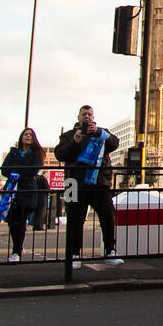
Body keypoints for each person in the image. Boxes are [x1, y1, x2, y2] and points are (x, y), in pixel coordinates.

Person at [55, 105, 122, 268]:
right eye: (84, 114)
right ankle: (75, 254)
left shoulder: (102, 132)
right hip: (74, 183)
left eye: (89, 114)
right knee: (74, 220)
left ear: (93, 117)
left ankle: (110, 251)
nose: (87, 117)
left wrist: (98, 133)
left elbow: (114, 144)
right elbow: (60, 154)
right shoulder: (68, 135)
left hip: (99, 183)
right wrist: (75, 141)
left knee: (107, 217)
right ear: (78, 117)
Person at [1, 129, 44, 263]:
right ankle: (18, 246)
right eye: (26, 134)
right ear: (21, 137)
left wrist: (16, 169)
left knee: (20, 220)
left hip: (27, 190)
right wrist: (21, 170)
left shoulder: (36, 153)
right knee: (11, 220)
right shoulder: (13, 152)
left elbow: (34, 170)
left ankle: (16, 251)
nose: (28, 136)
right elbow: (4, 169)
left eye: (31, 135)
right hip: (12, 189)